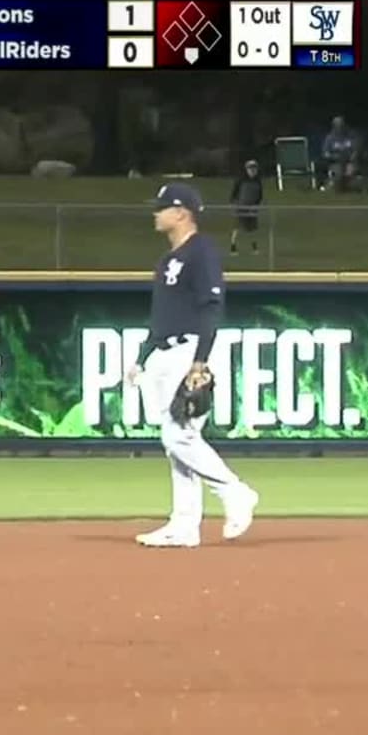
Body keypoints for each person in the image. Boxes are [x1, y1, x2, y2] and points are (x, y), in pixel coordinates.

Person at [124, 182, 260, 548]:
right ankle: (184, 525)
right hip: (165, 353)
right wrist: (142, 358)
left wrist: (200, 360)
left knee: (178, 435)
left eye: (162, 207)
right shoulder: (167, 260)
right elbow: (162, 317)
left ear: (181, 212)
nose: (156, 213)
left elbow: (211, 307)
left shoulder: (202, 251)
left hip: (189, 351)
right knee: (177, 443)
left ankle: (235, 492)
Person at [228, 159, 264, 255]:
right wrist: (235, 204)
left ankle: (254, 248)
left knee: (252, 229)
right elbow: (234, 194)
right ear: (247, 169)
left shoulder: (258, 181)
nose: (252, 171)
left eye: (254, 169)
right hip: (241, 207)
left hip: (252, 208)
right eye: (250, 169)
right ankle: (233, 247)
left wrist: (256, 206)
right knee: (237, 228)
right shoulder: (240, 180)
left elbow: (260, 196)